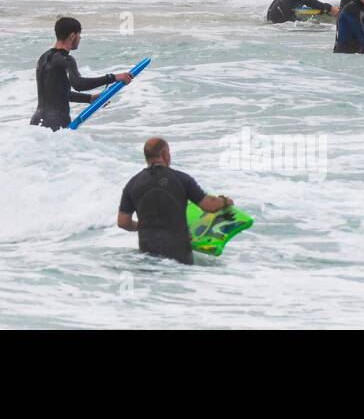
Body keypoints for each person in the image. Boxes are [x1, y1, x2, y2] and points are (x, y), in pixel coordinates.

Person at [117, 137, 232, 265]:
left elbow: (123, 222)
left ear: (146, 157)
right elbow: (209, 206)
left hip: (147, 255)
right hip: (178, 256)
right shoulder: (181, 179)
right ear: (164, 154)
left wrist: (147, 226)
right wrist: (224, 201)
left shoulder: (133, 184)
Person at [30, 16, 133, 130]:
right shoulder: (66, 59)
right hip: (56, 124)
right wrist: (113, 77)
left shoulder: (43, 58)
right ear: (72, 36)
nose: (80, 38)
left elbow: (57, 95)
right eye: (79, 34)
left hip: (36, 123)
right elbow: (78, 84)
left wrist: (89, 98)